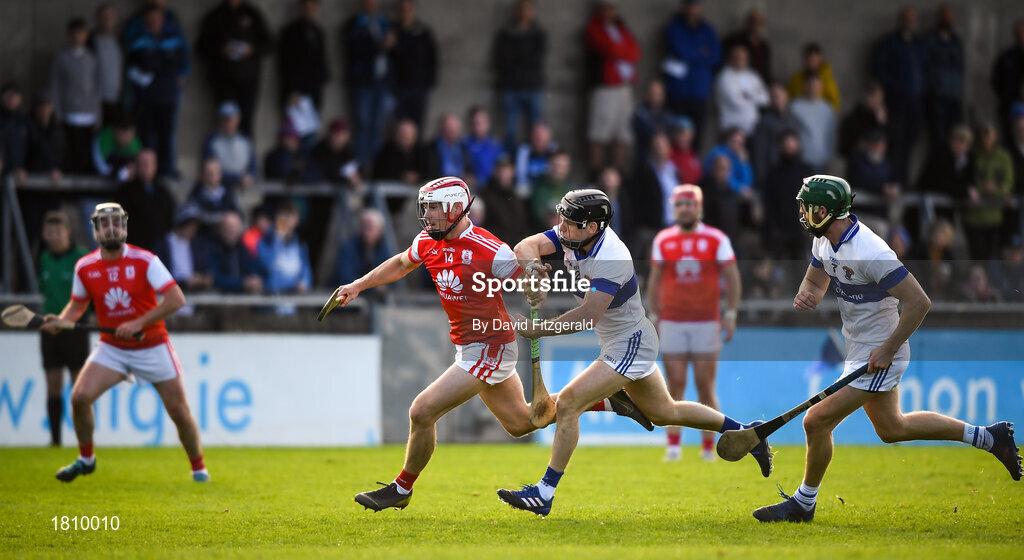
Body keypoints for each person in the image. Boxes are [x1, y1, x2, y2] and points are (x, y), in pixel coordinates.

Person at [338, 177, 652, 511]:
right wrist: (358, 285)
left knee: (421, 410)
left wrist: (536, 284)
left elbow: (528, 280)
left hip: (490, 346)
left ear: (457, 209)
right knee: (522, 422)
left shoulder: (489, 249)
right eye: (425, 207)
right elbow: (401, 263)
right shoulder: (427, 240)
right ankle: (605, 402)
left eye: (434, 207)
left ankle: (401, 489)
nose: (427, 215)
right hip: (469, 345)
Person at [752, 175, 1021, 523]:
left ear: (828, 210)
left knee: (816, 421)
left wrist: (889, 349)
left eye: (808, 207)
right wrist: (809, 295)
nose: (802, 214)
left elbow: (919, 302)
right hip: (859, 349)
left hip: (879, 356)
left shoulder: (871, 252)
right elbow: (816, 280)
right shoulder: (823, 241)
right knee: (892, 428)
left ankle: (804, 504)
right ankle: (989, 437)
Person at [497, 188, 771, 517]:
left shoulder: (611, 256)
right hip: (623, 340)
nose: (561, 226)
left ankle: (544, 493)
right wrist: (533, 273)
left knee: (568, 402)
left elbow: (587, 317)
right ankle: (746, 432)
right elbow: (525, 246)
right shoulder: (574, 235)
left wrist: (540, 329)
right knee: (664, 412)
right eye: (562, 218)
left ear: (593, 227)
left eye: (570, 222)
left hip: (630, 343)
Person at [42, 202, 209, 482]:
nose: (111, 228)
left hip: (152, 343)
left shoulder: (145, 260)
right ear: (95, 230)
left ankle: (199, 468)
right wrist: (59, 321)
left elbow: (176, 299)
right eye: (104, 224)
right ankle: (87, 459)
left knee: (180, 412)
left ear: (125, 226)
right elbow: (76, 307)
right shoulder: (85, 267)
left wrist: (139, 322)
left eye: (116, 222)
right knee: (80, 397)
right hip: (113, 348)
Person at [647, 185, 741, 462]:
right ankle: (674, 445)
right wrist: (653, 315)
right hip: (673, 320)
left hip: (705, 321)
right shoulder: (663, 239)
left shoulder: (716, 239)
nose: (685, 208)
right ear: (674, 208)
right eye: (680, 204)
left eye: (690, 204)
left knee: (704, 385)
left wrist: (731, 313)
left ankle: (708, 447)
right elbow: (654, 280)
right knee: (674, 384)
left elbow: (733, 277)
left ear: (699, 207)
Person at [37, 211, 89, 447]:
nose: (54, 237)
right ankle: (55, 440)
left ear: (67, 232)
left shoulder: (81, 258)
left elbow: (89, 295)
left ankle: (84, 441)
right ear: (44, 235)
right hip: (50, 329)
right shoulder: (44, 257)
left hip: (74, 330)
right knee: (53, 384)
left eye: (58, 232)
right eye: (50, 232)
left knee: (79, 389)